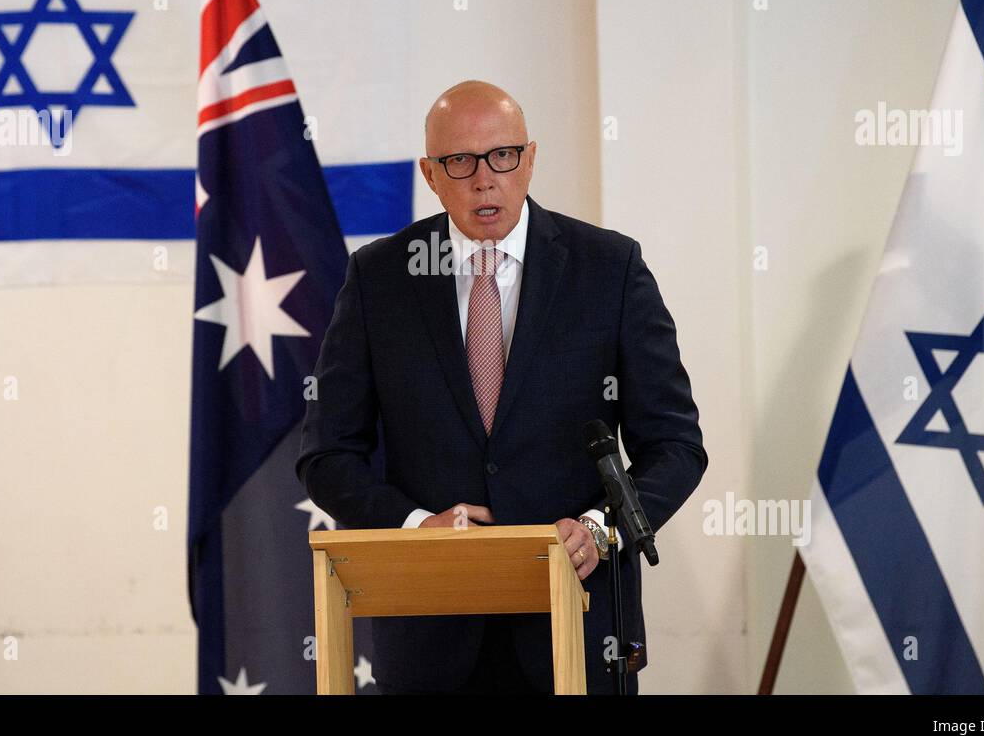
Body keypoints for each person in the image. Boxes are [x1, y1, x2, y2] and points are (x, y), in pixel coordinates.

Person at [296, 80, 706, 694]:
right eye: (459, 162)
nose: (484, 179)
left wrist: (600, 529)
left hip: (578, 624)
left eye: (502, 156)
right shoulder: (380, 279)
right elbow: (327, 454)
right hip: (430, 634)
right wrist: (415, 528)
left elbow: (675, 445)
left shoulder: (609, 270)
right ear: (430, 175)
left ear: (531, 158)